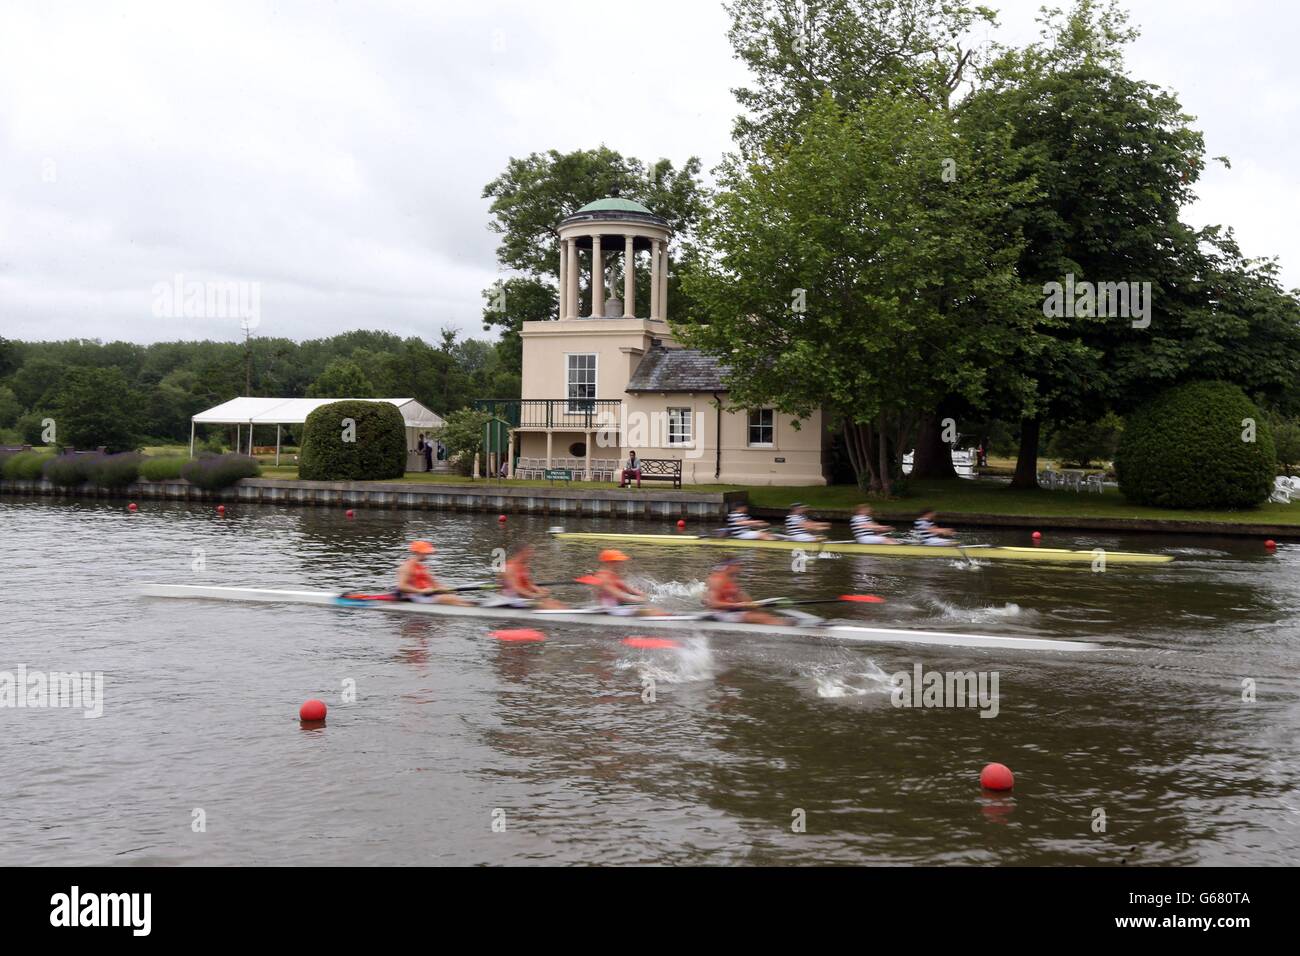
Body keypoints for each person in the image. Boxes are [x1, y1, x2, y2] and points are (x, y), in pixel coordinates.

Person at [703, 557, 787, 625]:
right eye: (738, 565)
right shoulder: (717, 580)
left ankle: (779, 624)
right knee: (763, 618)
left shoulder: (730, 578)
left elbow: (740, 596)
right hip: (719, 614)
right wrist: (737, 605)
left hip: (731, 611)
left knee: (762, 615)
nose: (740, 568)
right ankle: (785, 628)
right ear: (730, 566)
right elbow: (713, 604)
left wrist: (752, 605)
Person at [588, 549, 667, 616]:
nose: (621, 563)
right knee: (650, 611)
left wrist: (643, 595)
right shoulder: (603, 577)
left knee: (655, 609)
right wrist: (639, 599)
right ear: (610, 563)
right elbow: (619, 595)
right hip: (611, 609)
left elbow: (628, 588)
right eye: (618, 561)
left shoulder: (612, 574)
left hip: (619, 605)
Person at [397, 540, 473, 604]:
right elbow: (402, 587)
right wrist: (420, 591)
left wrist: (447, 590)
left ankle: (471, 606)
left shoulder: (423, 568)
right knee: (450, 599)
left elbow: (435, 585)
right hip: (415, 596)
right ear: (417, 552)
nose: (428, 554)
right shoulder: (406, 567)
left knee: (453, 597)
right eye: (425, 552)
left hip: (428, 594)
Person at [495, 545, 566, 609]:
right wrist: (534, 595)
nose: (531, 555)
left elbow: (528, 584)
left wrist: (539, 590)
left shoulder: (522, 566)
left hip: (522, 598)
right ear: (521, 553)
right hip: (511, 600)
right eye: (528, 553)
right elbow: (516, 589)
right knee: (553, 606)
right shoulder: (509, 568)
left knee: (557, 603)